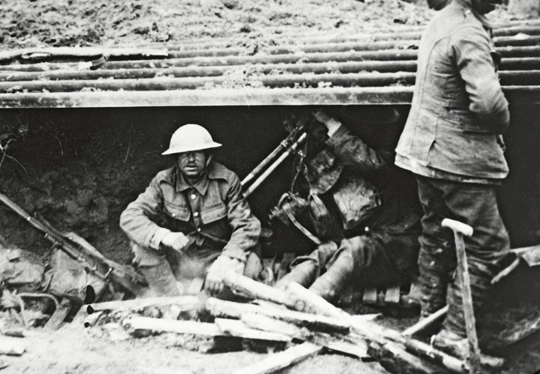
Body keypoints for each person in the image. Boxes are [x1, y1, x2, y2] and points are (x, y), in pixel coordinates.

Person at [395, 0, 516, 357]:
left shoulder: (442, 21)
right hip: (456, 159)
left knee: (438, 235)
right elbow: (488, 103)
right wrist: (503, 125)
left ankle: (427, 321)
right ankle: (453, 334)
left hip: (423, 153)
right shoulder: (468, 32)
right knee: (488, 245)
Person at [275, 108, 421, 304]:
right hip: (356, 243)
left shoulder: (379, 152)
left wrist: (331, 124)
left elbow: (372, 164)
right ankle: (276, 296)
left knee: (354, 250)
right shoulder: (320, 162)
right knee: (321, 255)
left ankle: (309, 302)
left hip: (393, 242)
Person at [120, 124, 262, 296]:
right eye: (184, 154)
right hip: (182, 260)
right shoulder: (164, 182)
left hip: (216, 257)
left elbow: (246, 225)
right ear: (176, 157)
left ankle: (213, 301)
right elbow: (130, 216)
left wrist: (226, 261)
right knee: (142, 245)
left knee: (250, 271)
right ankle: (172, 302)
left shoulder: (226, 181)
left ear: (208, 156)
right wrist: (163, 235)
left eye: (197, 153)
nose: (190, 159)